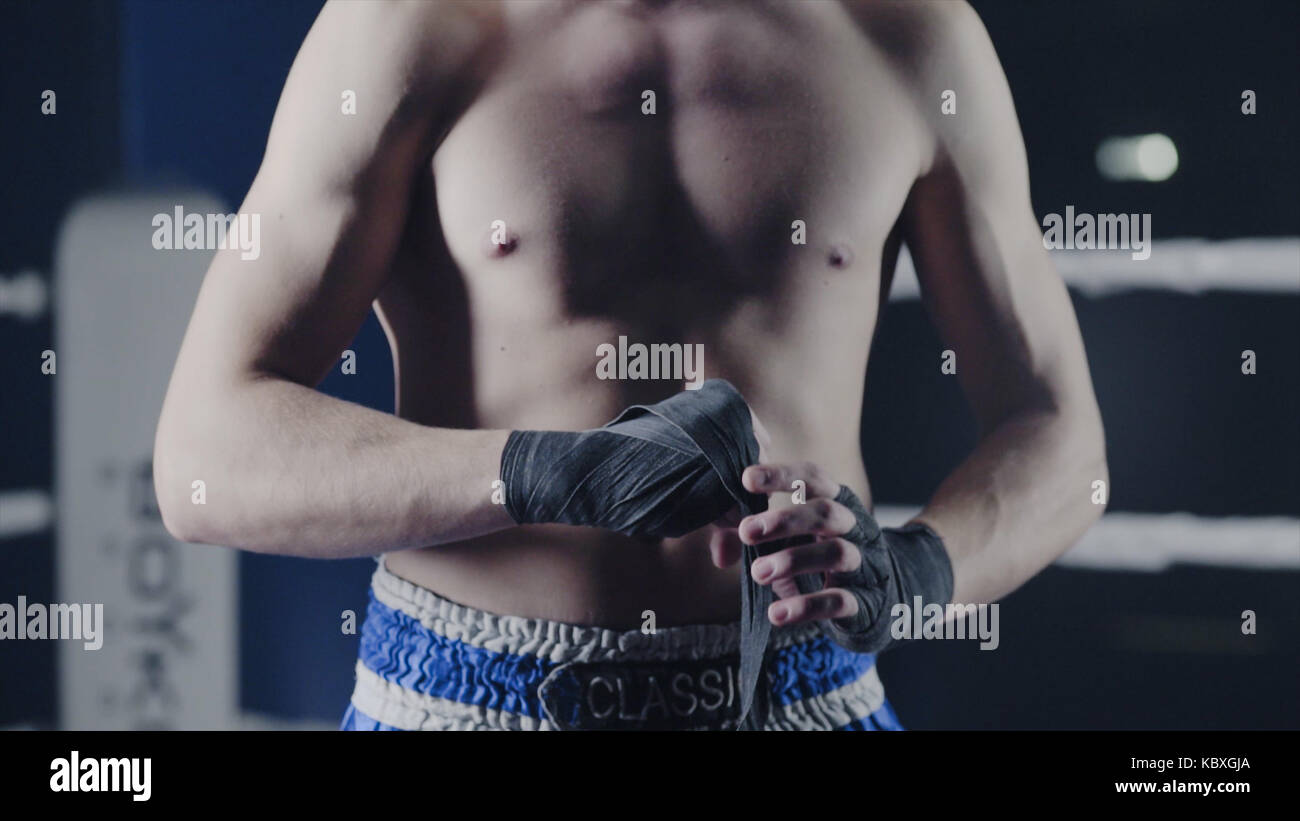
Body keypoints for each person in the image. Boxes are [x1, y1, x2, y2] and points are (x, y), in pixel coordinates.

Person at [154, 0, 1107, 731]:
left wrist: (915, 573)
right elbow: (203, 461)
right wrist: (551, 471)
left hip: (809, 696)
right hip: (463, 701)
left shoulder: (907, 33)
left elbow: (1064, 439)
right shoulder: (411, 26)